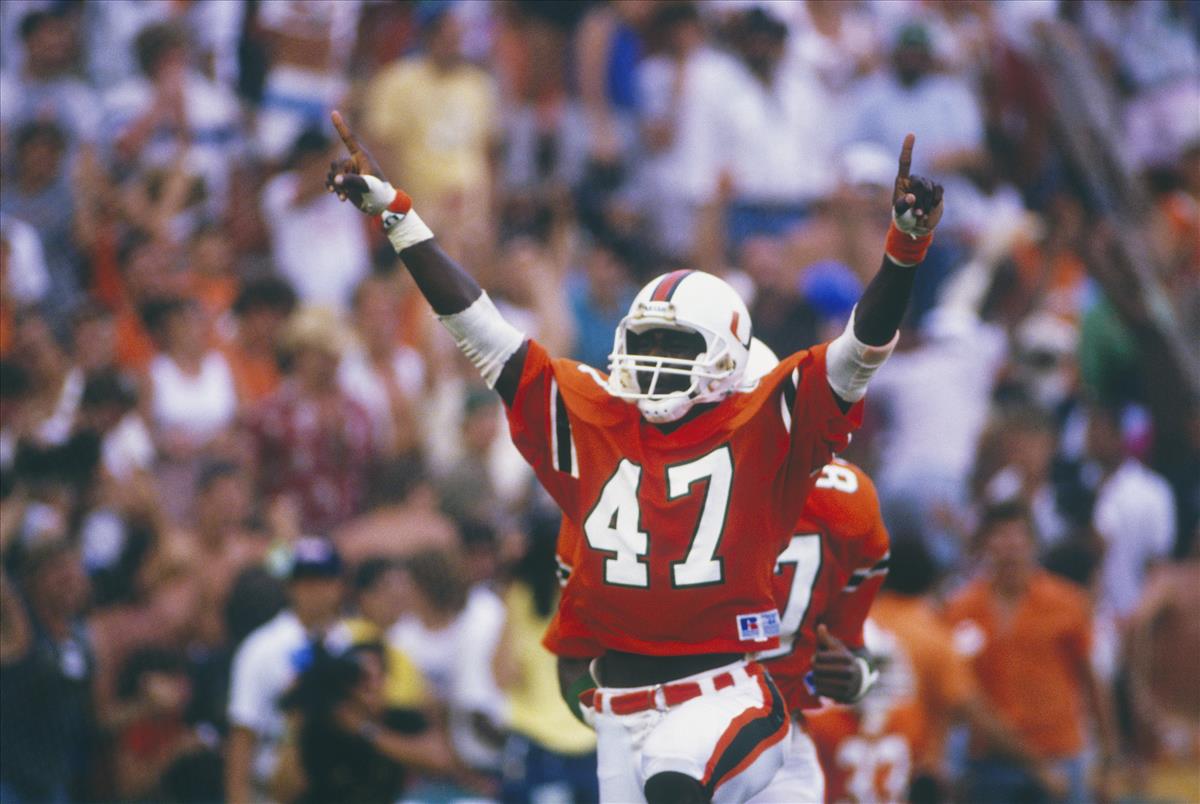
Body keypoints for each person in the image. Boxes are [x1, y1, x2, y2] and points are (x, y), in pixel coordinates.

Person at [326, 110, 943, 802]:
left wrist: (904, 248)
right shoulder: (593, 415)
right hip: (621, 710)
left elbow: (860, 353)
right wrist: (399, 217)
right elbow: (482, 332)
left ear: (730, 363)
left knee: (674, 788)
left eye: (677, 348)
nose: (653, 363)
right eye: (646, 343)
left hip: (724, 695)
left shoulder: (766, 424)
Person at [944, 503, 1119, 804]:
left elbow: (1092, 679)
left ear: (1034, 544)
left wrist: (1108, 755)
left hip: (1059, 754)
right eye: (1000, 536)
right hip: (990, 760)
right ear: (985, 544)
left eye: (1018, 537)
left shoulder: (1067, 601)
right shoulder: (961, 608)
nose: (1010, 547)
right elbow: (953, 692)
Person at [225, 537, 345, 804]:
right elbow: (243, 731)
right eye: (304, 581)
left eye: (322, 580)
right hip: (272, 789)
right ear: (291, 586)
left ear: (338, 585)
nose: (313, 590)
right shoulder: (261, 647)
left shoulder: (351, 643)